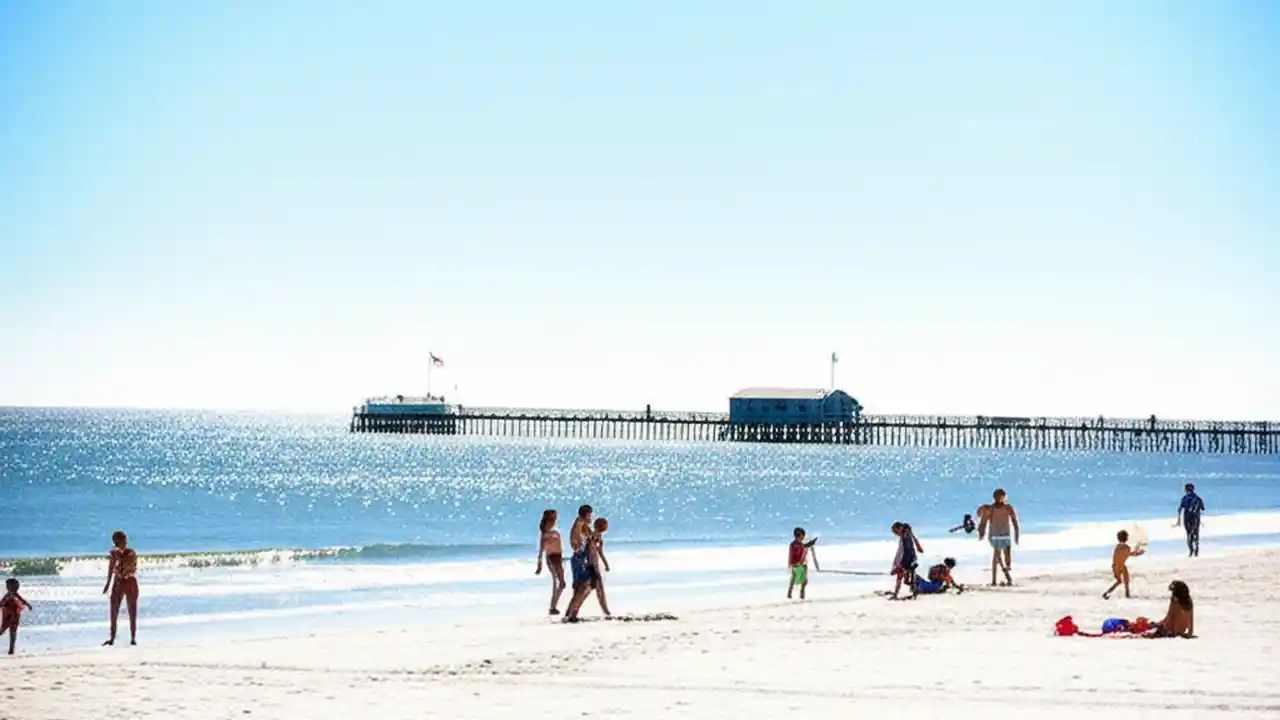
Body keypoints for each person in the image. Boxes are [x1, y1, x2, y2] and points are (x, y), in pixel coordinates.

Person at [103, 530, 139, 646]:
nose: (124, 543)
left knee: (128, 610)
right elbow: (111, 568)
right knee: (118, 610)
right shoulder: (118, 553)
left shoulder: (128, 553)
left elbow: (120, 566)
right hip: (123, 581)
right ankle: (115, 638)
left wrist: (108, 583)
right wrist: (108, 583)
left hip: (126, 581)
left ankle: (130, 638)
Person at [978, 489, 1019, 586]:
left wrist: (1017, 533)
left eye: (1002, 497)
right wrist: (981, 532)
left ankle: (1007, 573)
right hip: (995, 534)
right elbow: (983, 521)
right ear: (994, 497)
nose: (1000, 499)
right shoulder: (990, 508)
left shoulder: (1008, 508)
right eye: (998, 497)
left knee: (1006, 554)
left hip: (1005, 534)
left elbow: (1014, 521)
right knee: (996, 555)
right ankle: (994, 580)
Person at [563, 506, 597, 623]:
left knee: (581, 588)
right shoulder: (579, 523)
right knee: (584, 587)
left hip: (581, 558)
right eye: (590, 515)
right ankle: (570, 614)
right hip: (579, 558)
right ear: (586, 514)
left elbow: (592, 537)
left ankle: (571, 613)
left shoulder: (583, 525)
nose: (591, 517)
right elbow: (576, 544)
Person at [535, 509, 567, 615]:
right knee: (559, 583)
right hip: (552, 557)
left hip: (558, 556)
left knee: (561, 583)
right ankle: (553, 607)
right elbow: (541, 548)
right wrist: (539, 563)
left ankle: (553, 606)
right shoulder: (546, 532)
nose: (556, 518)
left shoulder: (554, 530)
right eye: (554, 516)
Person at [1102, 530, 1145, 599]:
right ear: (1126, 538)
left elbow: (1125, 554)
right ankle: (1126, 595)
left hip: (1116, 565)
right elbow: (1130, 554)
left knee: (1121, 581)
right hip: (1120, 566)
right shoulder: (1126, 548)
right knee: (1125, 582)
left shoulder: (1118, 546)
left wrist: (1137, 551)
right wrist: (1138, 551)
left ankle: (1108, 593)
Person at [890, 522, 924, 600]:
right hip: (909, 559)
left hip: (908, 560)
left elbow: (907, 551)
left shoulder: (906, 537)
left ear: (900, 528)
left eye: (895, 531)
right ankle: (912, 592)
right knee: (906, 578)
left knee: (905, 578)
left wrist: (902, 565)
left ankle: (912, 593)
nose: (895, 534)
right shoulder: (906, 535)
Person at [587, 517, 612, 618]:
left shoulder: (599, 537)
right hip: (591, 565)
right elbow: (589, 551)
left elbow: (600, 552)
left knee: (598, 588)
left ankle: (606, 611)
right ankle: (606, 611)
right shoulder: (592, 536)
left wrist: (606, 564)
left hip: (595, 564)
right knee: (598, 589)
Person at [0, 579, 33, 655]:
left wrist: (28, 605)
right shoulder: (11, 594)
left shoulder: (12, 594)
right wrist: (28, 605)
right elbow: (2, 602)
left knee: (10, 631)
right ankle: (11, 649)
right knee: (11, 632)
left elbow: (2, 602)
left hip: (12, 616)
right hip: (11, 615)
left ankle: (11, 650)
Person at [1175, 483, 1205, 557]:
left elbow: (1180, 509)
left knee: (1189, 534)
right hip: (1196, 518)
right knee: (1196, 533)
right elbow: (1203, 508)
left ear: (1186, 490)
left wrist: (1178, 520)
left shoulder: (1185, 498)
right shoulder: (1198, 498)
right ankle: (1196, 549)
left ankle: (1191, 550)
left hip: (1187, 518)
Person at [787, 527, 817, 600]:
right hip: (797, 564)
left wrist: (809, 546)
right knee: (799, 580)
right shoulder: (794, 545)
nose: (803, 537)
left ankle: (796, 594)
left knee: (799, 580)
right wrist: (791, 563)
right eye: (802, 536)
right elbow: (792, 554)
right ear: (799, 536)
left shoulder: (800, 544)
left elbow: (804, 549)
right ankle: (795, 594)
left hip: (802, 563)